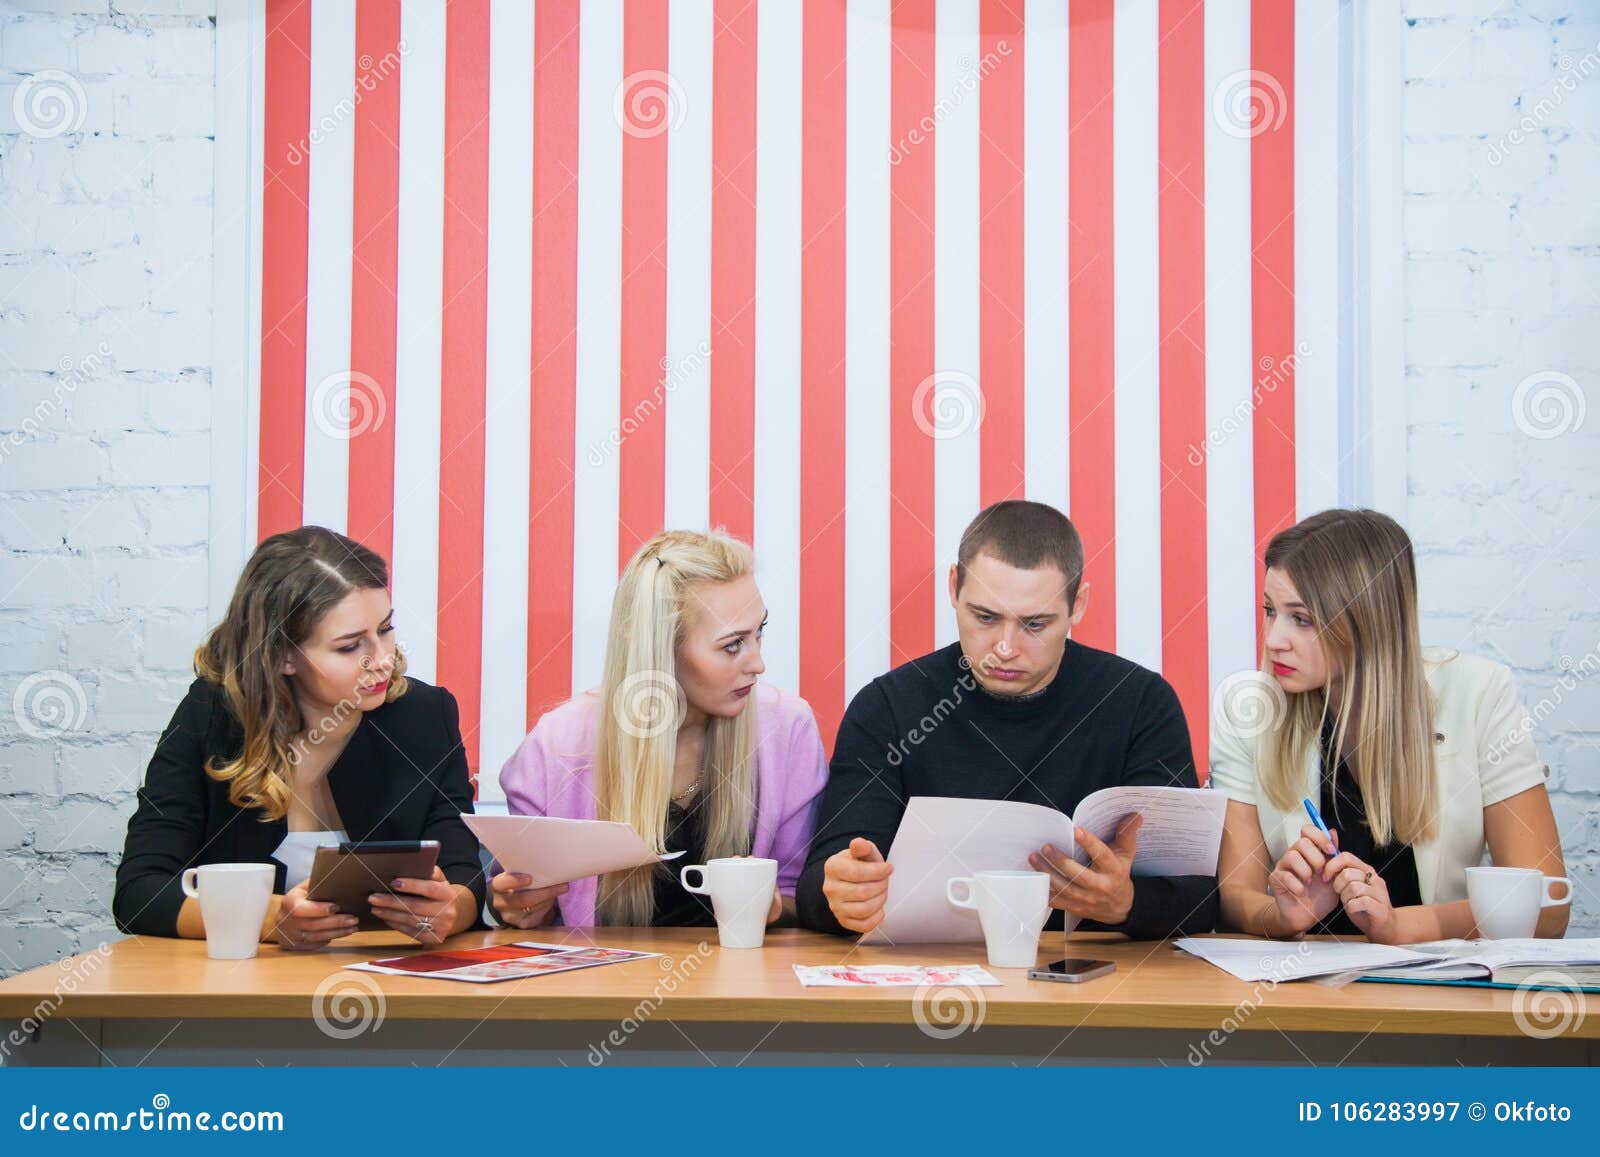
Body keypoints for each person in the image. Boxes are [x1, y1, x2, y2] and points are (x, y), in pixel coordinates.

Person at [797, 500, 1218, 939]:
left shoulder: (1141, 704)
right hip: (923, 977)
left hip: (1088, 986)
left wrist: (1128, 904)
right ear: (954, 588)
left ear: (1078, 605)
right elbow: (815, 886)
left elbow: (1201, 899)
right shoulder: (886, 707)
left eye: (1035, 625)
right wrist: (841, 895)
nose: (1005, 648)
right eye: (985, 617)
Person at [113, 527, 486, 949]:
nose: (382, 660)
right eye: (349, 647)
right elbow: (139, 894)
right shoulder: (212, 715)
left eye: (385, 629)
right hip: (241, 995)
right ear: (282, 655)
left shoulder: (424, 714)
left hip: (389, 987)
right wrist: (268, 918)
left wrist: (450, 908)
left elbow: (466, 877)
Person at [1212, 508, 1567, 943]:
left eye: (1301, 619)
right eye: (1271, 611)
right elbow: (1232, 897)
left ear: (1367, 621)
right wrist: (1284, 915)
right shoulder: (1247, 709)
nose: (1273, 641)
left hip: (1435, 995)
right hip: (1296, 995)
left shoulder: (1479, 694)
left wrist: (1399, 926)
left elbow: (1548, 907)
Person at [491, 529, 827, 929]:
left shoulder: (788, 730)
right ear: (662, 652)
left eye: (760, 633)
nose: (758, 664)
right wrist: (518, 905)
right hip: (601, 988)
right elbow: (514, 904)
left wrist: (773, 908)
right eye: (733, 645)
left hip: (745, 985)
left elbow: (800, 899)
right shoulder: (558, 746)